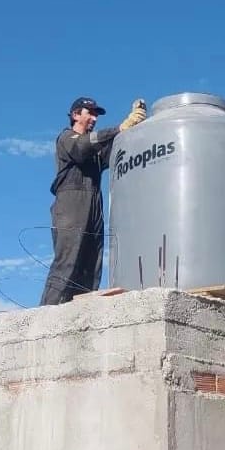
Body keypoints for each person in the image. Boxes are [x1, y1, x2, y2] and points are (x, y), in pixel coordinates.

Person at [39, 96, 147, 306]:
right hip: (71, 202)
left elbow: (114, 150)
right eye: (91, 113)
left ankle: (80, 313)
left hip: (93, 205)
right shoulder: (66, 138)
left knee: (91, 263)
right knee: (68, 261)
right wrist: (120, 127)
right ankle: (46, 313)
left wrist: (134, 129)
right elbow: (81, 148)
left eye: (96, 115)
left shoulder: (95, 152)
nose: (94, 118)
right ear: (75, 115)